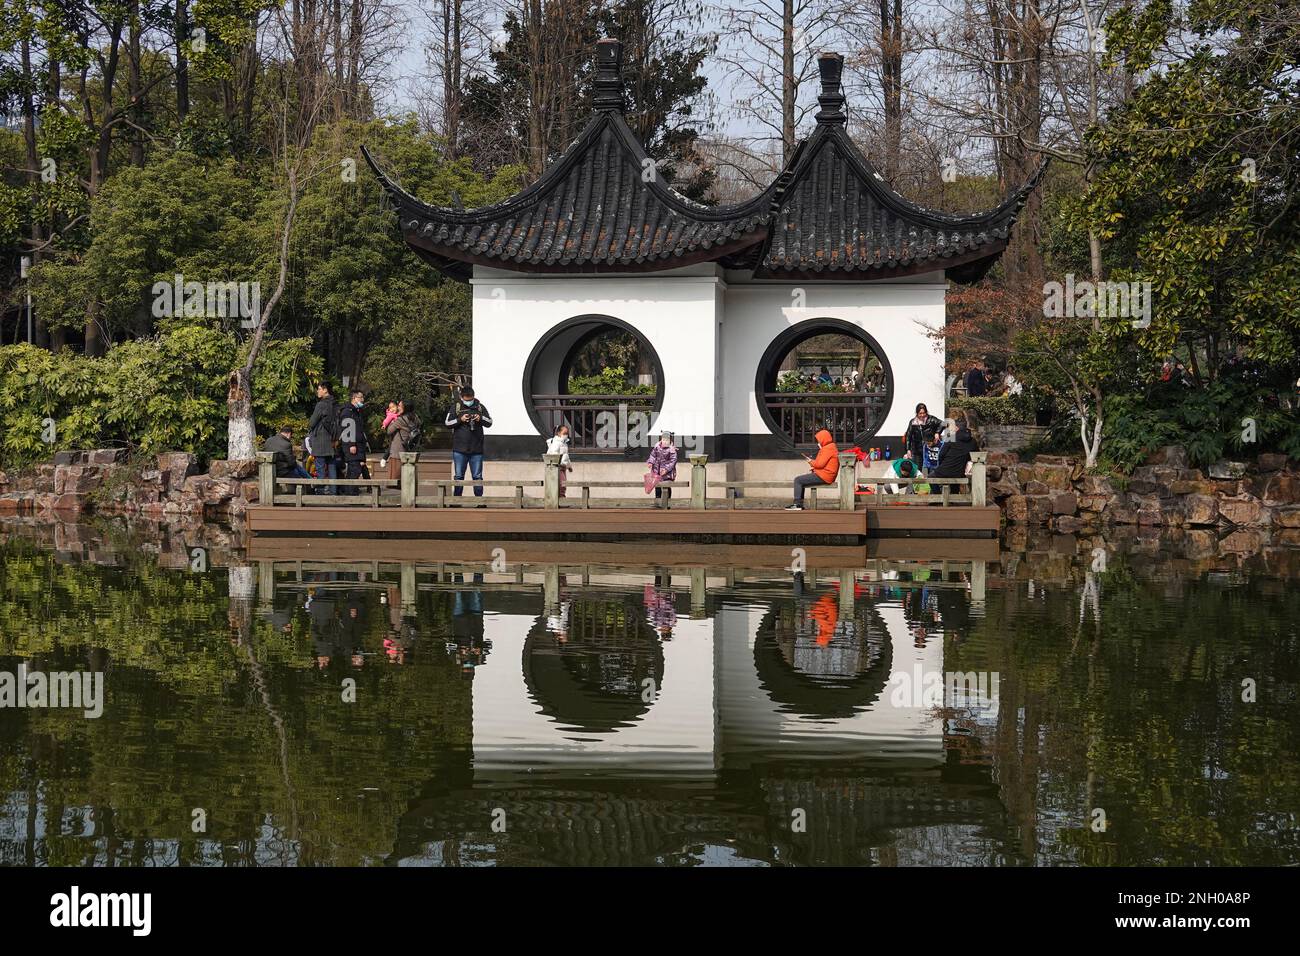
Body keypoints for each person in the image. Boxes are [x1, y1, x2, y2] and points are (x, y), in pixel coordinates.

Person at [446, 386, 492, 500]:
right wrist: (459, 420)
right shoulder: (456, 407)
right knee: (458, 476)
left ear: (474, 396)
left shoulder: (480, 407)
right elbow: (447, 423)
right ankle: (456, 500)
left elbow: (490, 422)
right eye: (466, 400)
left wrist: (479, 418)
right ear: (461, 397)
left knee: (477, 476)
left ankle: (479, 500)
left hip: (476, 449)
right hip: (459, 449)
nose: (468, 401)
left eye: (470, 399)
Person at [786, 428, 839, 510]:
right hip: (826, 475)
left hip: (824, 476)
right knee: (802, 480)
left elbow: (819, 464)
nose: (818, 443)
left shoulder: (827, 449)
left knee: (798, 480)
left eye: (819, 440)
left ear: (823, 439)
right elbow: (822, 463)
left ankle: (797, 504)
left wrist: (810, 461)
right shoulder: (831, 447)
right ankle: (798, 505)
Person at [307, 382, 339, 494]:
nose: (318, 391)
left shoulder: (321, 404)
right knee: (332, 467)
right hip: (332, 439)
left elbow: (312, 422)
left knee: (320, 467)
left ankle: (320, 492)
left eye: (319, 389)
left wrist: (310, 426)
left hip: (320, 439)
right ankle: (334, 492)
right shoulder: (335, 404)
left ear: (325, 390)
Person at [337, 390, 370, 496]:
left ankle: (351, 490)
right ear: (354, 398)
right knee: (354, 468)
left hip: (358, 444)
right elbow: (347, 428)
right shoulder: (348, 411)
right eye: (360, 397)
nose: (362, 400)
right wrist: (352, 444)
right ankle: (350, 491)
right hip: (352, 445)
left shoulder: (356, 411)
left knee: (354, 468)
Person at [931, 414, 977, 483]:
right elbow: (975, 456)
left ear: (956, 428)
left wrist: (941, 465)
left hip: (944, 471)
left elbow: (941, 454)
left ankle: (937, 493)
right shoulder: (973, 441)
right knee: (954, 488)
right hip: (960, 473)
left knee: (930, 478)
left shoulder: (951, 438)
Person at [385, 399, 419, 481]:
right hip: (410, 449)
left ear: (405, 408)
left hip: (398, 451)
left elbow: (389, 431)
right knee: (408, 479)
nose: (398, 408)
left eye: (400, 406)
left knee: (396, 480)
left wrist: (392, 419)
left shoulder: (400, 420)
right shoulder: (416, 418)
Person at [902, 402, 941, 472]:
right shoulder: (913, 422)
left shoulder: (931, 419)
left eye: (924, 413)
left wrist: (937, 432)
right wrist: (908, 449)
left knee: (932, 470)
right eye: (920, 413)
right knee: (917, 470)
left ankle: (932, 482)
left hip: (930, 449)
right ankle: (917, 483)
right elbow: (908, 436)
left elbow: (943, 424)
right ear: (917, 413)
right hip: (917, 449)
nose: (922, 415)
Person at [646, 429, 678, 508]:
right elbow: (653, 455)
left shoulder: (672, 450)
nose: (665, 441)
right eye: (663, 439)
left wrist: (666, 469)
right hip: (657, 471)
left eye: (667, 440)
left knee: (666, 487)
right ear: (661, 439)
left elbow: (673, 461)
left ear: (670, 440)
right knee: (657, 486)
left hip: (667, 473)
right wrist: (650, 462)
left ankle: (667, 503)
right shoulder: (657, 447)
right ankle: (657, 502)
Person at [545, 423, 573, 497]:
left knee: (563, 484)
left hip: (563, 467)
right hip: (557, 467)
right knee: (561, 484)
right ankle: (561, 499)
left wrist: (569, 466)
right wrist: (558, 464)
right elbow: (553, 454)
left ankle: (561, 498)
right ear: (558, 433)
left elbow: (566, 456)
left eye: (567, 433)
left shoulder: (564, 443)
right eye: (564, 433)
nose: (566, 435)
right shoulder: (556, 443)